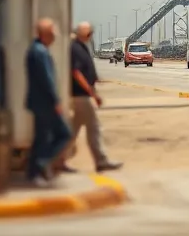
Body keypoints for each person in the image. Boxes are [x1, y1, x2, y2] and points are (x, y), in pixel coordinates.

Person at [64, 22, 122, 173]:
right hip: (81, 95)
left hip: (81, 95)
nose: (91, 36)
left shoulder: (81, 47)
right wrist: (92, 92)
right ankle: (101, 161)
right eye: (90, 33)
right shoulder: (75, 48)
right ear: (85, 34)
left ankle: (58, 159)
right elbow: (76, 72)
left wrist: (95, 79)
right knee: (94, 128)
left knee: (73, 130)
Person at [25, 18, 72, 186]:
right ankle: (39, 167)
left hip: (40, 102)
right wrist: (56, 101)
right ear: (46, 34)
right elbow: (46, 80)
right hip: (45, 103)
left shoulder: (36, 49)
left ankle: (35, 170)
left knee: (41, 138)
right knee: (63, 134)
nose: (55, 37)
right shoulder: (40, 52)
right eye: (53, 34)